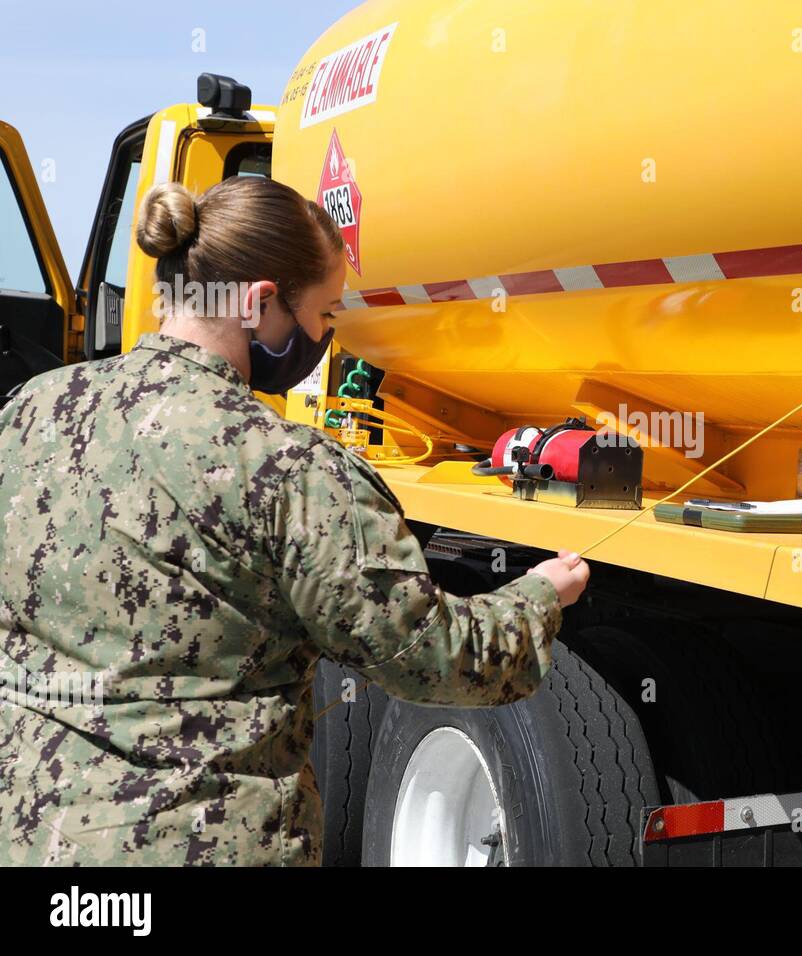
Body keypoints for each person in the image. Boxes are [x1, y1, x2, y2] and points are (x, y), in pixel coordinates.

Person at [0, 176, 589, 865]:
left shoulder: (30, 410)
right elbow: (430, 659)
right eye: (323, 313)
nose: (324, 337)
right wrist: (540, 597)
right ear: (257, 303)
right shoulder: (288, 468)